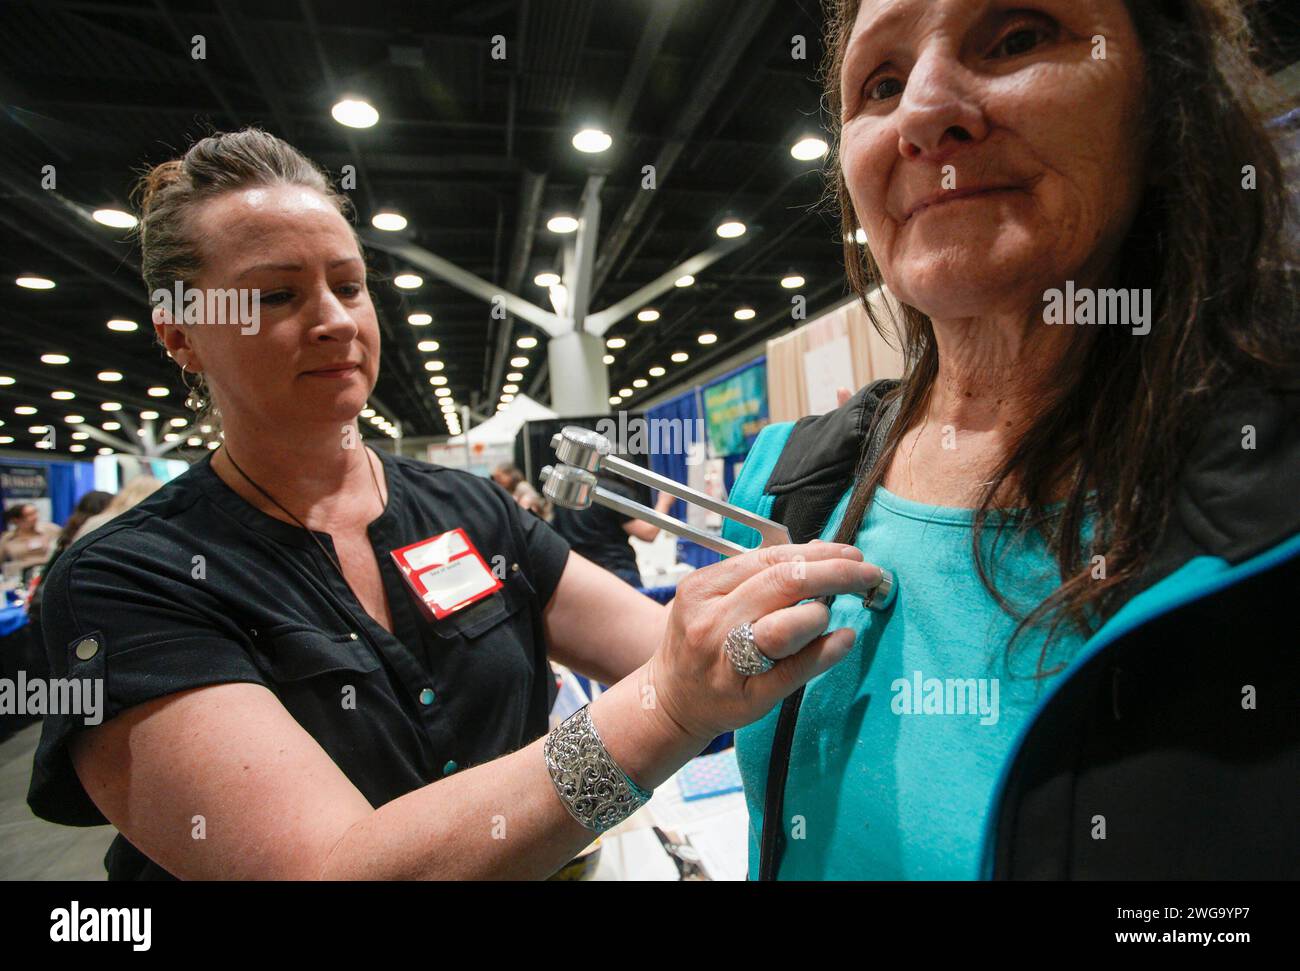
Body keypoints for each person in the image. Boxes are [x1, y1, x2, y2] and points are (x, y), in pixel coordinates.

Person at [26, 128, 884, 880]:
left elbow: (666, 645)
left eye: (349, 284)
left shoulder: (467, 510)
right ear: (179, 330)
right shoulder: (125, 582)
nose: (332, 320)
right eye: (275, 295)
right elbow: (333, 871)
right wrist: (664, 706)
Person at [722, 0, 1299, 879]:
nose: (921, 112)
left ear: (1167, 96)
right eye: (880, 83)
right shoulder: (785, 489)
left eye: (1018, 37)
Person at [552, 478, 676, 587]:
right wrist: (664, 502)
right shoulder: (614, 493)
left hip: (577, 575)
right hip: (616, 572)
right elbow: (648, 533)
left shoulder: (568, 492)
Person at [0, 503, 62, 578]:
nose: (35, 517)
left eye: (35, 513)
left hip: (46, 573)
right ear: (16, 520)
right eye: (29, 515)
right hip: (17, 576)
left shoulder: (50, 529)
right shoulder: (8, 537)